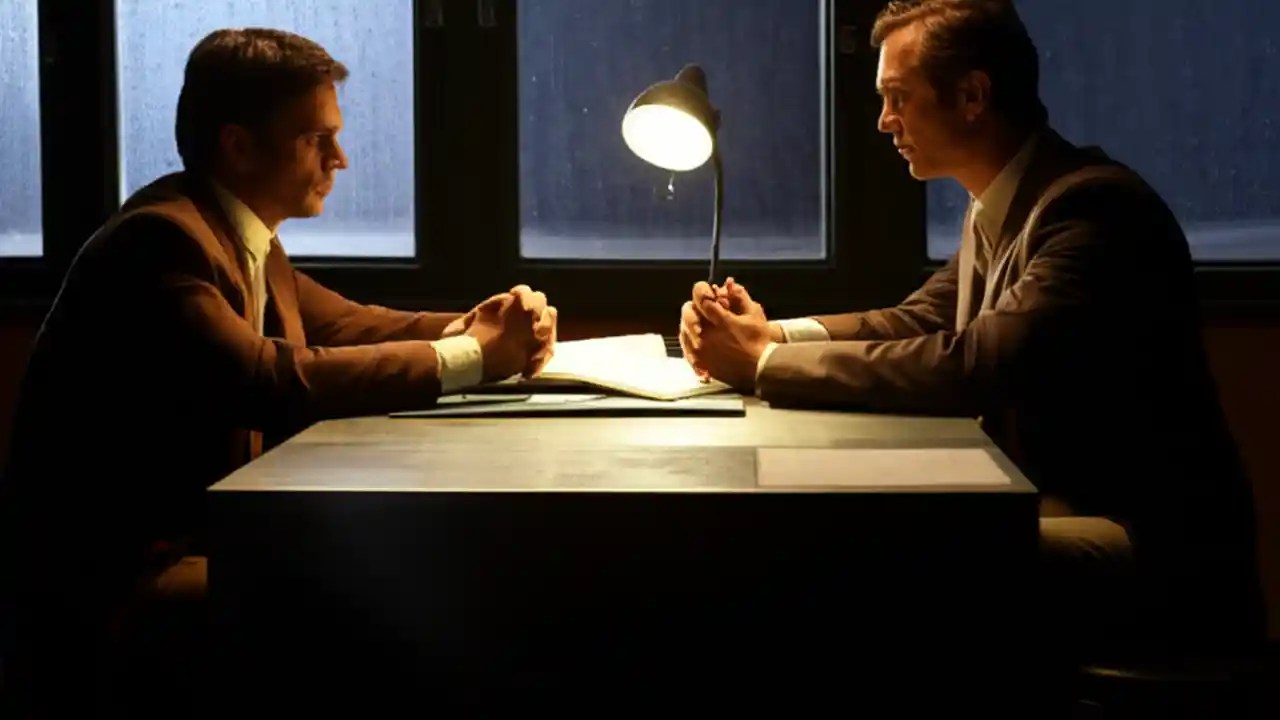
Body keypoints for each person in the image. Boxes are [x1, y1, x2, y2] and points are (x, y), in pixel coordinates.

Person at [680, 0, 1264, 700]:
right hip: (1060, 504)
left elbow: (978, 365)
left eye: (897, 98)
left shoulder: (1093, 212)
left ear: (973, 96)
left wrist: (763, 366)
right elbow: (917, 318)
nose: (882, 122)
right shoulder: (1005, 204)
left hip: (1150, 552)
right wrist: (771, 333)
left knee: (873, 556)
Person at [0, 28, 556, 716]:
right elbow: (264, 378)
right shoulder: (163, 241)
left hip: (192, 545)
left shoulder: (236, 232)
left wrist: (481, 325)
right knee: (397, 604)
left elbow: (347, 323)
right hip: (113, 585)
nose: (341, 158)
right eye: (314, 140)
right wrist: (474, 357)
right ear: (238, 145)